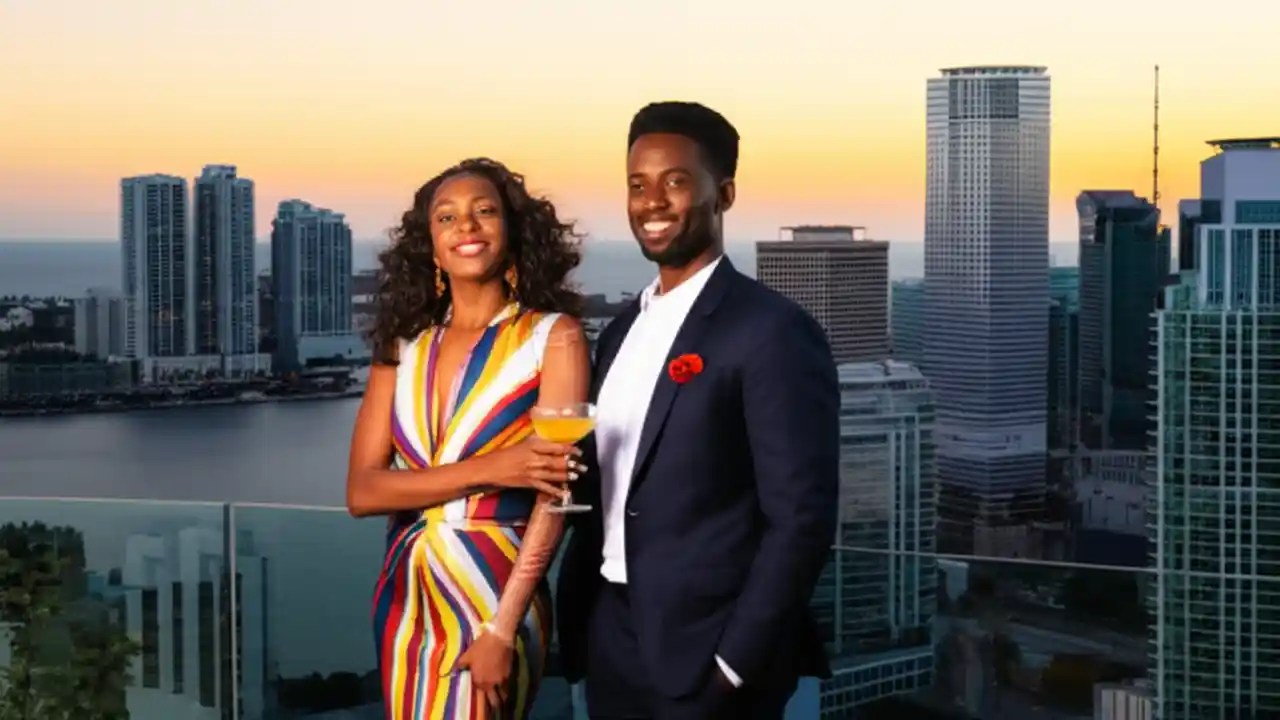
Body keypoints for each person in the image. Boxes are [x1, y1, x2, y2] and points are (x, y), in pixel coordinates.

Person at [556, 101, 840, 719]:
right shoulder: (620, 330)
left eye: (676, 181)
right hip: (611, 640)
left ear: (724, 195)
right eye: (637, 185)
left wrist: (734, 664)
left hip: (710, 653)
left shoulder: (771, 330)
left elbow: (802, 518)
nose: (651, 202)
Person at [347, 157, 591, 720]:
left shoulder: (554, 338)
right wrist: (497, 466)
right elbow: (362, 493)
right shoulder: (402, 347)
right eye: (447, 217)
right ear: (431, 248)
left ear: (512, 232)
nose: (466, 225)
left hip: (494, 596)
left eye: (485, 211)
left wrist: (503, 629)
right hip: (405, 593)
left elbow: (555, 500)